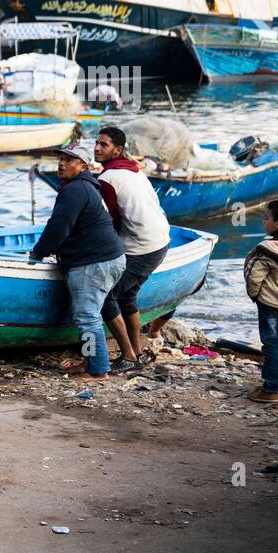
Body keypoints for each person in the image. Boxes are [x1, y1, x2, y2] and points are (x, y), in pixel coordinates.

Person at [29, 141, 126, 381]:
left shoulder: (75, 189)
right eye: (60, 159)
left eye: (68, 160)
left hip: (94, 263)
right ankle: (89, 361)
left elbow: (58, 227)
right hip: (108, 259)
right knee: (89, 315)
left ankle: (99, 370)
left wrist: (38, 253)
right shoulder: (86, 186)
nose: (62, 164)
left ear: (82, 166)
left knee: (87, 317)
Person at [94, 126, 172, 372]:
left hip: (143, 247)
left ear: (117, 150)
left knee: (106, 297)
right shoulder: (134, 169)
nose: (96, 148)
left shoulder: (107, 179)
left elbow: (112, 223)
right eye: (96, 143)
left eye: (103, 145)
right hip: (161, 239)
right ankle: (137, 352)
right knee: (127, 295)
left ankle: (127, 355)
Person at [245, 199, 278, 404]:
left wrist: (255, 296)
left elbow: (253, 275)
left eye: (266, 219)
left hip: (270, 304)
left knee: (272, 344)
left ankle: (271, 388)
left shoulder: (266, 248)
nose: (264, 222)